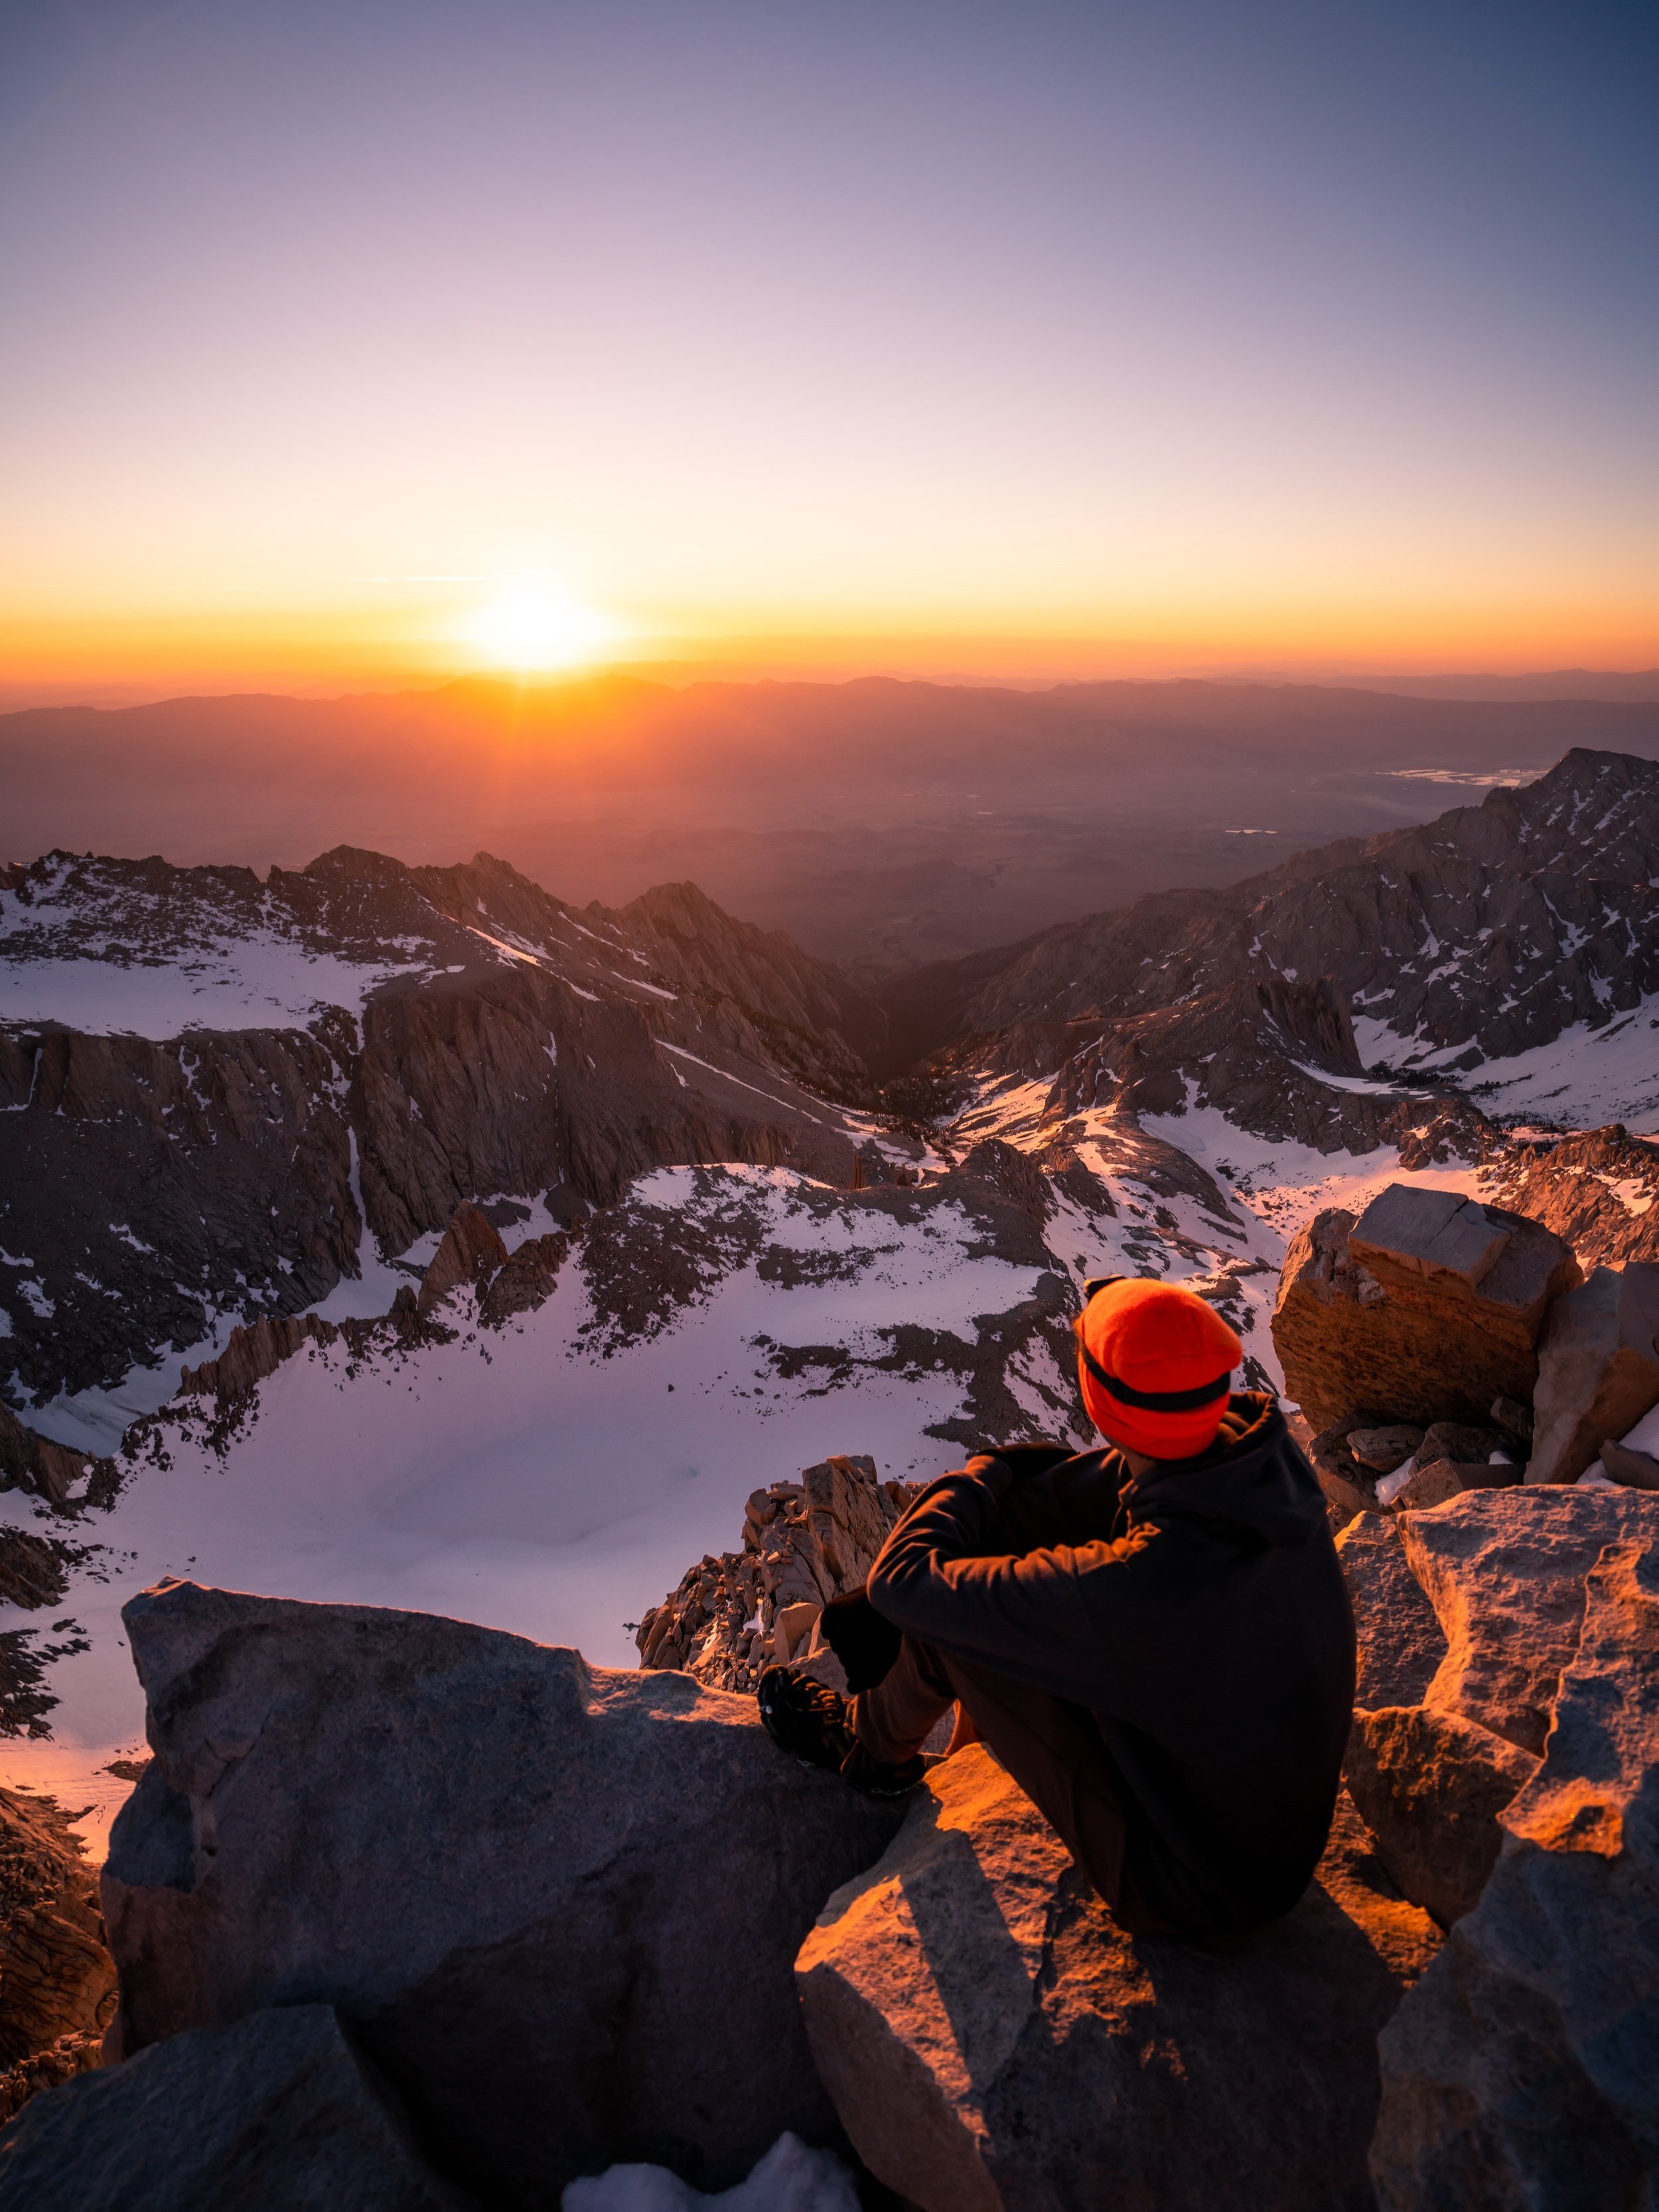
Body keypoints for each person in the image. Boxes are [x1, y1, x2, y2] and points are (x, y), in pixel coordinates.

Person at [757, 1275, 1355, 1941]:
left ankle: (869, 1755)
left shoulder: (1135, 1583)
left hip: (1193, 1889)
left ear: (1098, 1402)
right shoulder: (1256, 1452)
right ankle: (967, 1740)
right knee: (1020, 1529)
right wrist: (1019, 1489)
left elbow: (903, 1583)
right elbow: (1094, 1488)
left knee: (955, 1626)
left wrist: (983, 1471)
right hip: (1257, 1830)